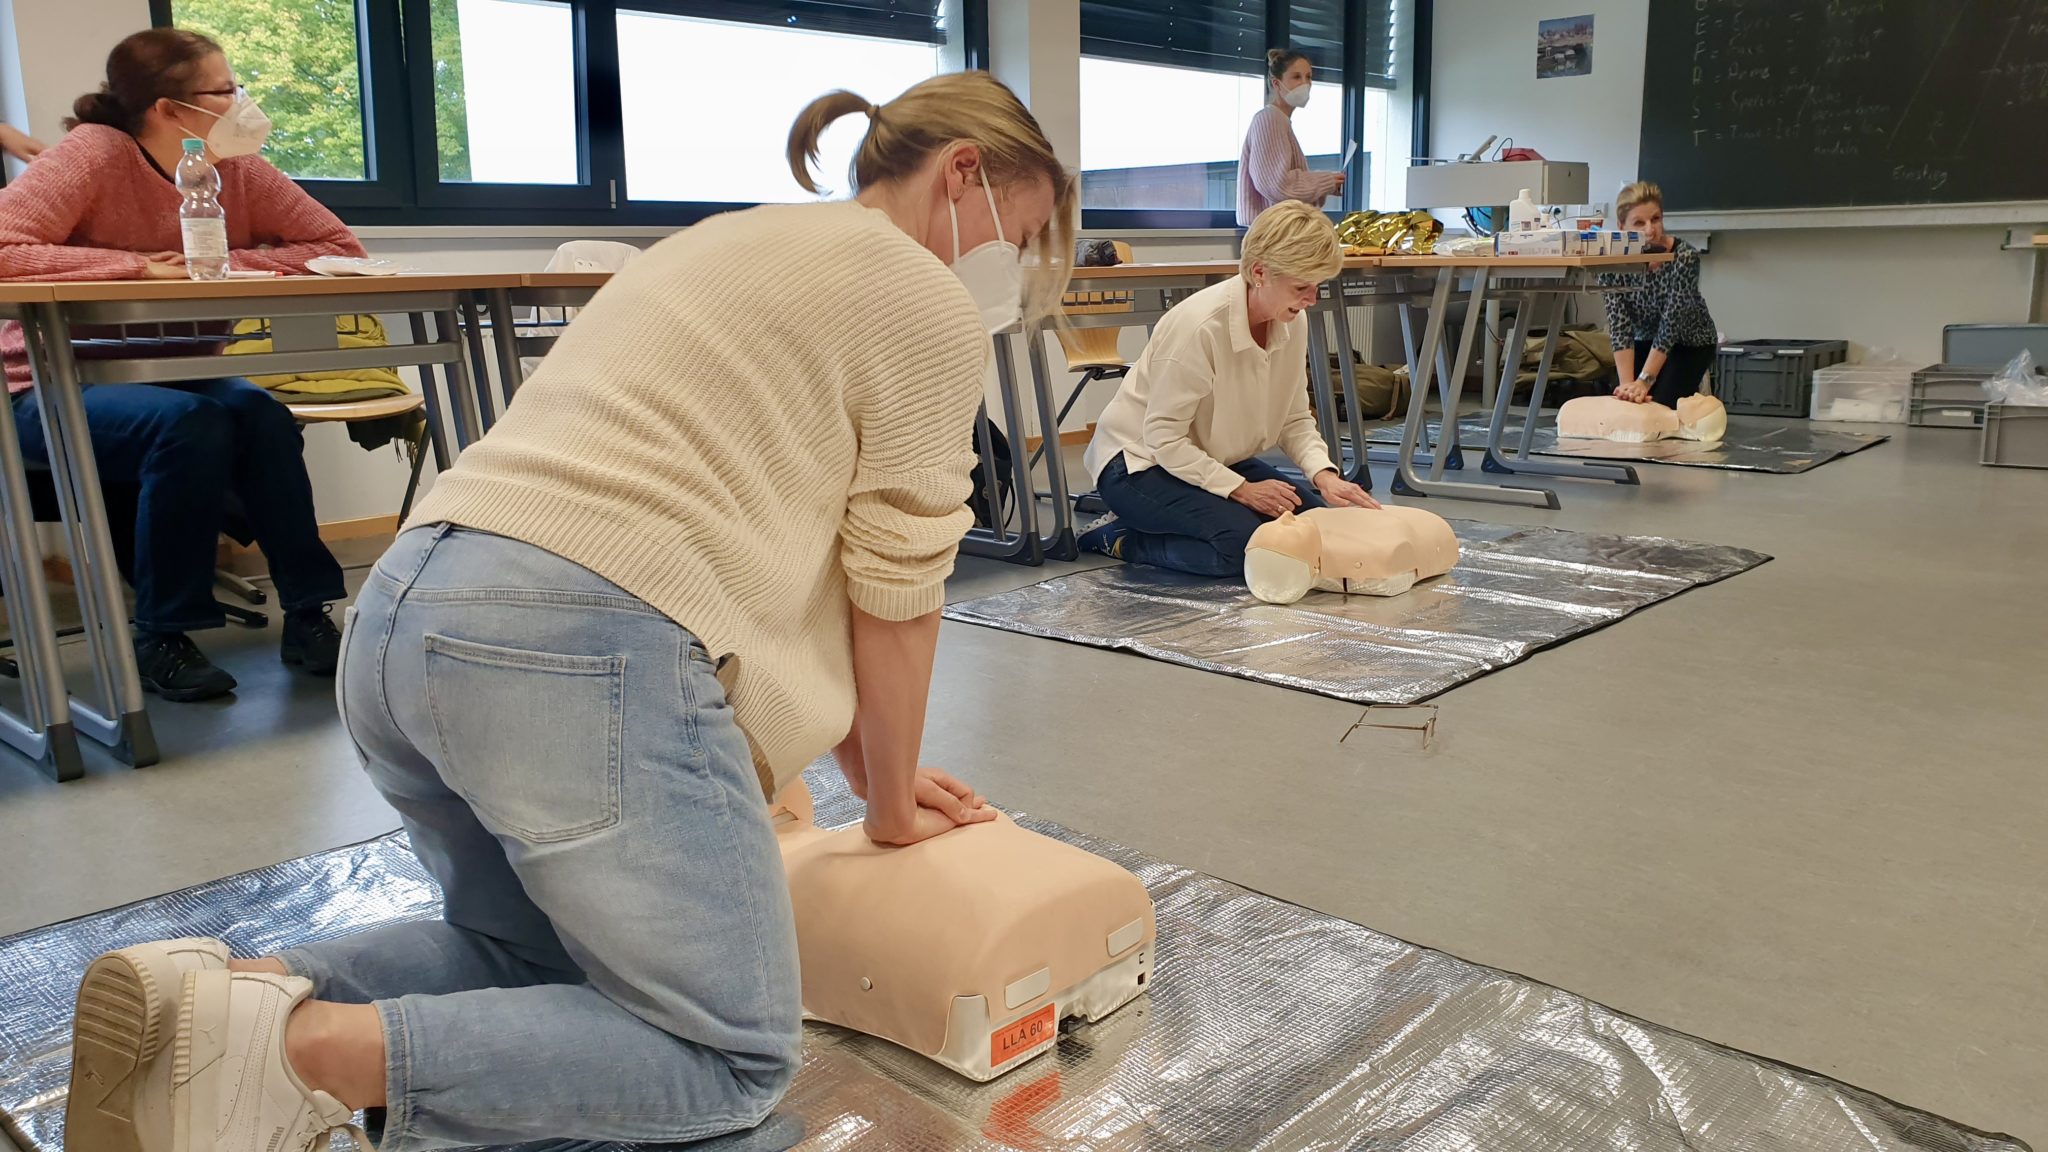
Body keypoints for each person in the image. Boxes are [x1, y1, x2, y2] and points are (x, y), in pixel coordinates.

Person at [60, 71, 1075, 1152]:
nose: (1002, 267)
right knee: (726, 1058)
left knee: (531, 961)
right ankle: (286, 1060)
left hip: (408, 610)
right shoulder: (917, 296)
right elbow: (900, 588)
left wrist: (874, 769)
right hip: (574, 641)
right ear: (963, 173)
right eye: (1014, 235)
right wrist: (884, 809)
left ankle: (223, 1000)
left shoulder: (722, 240)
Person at [0, 28, 359, 701]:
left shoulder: (237, 166)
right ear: (169, 108)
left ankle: (309, 615)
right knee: (189, 423)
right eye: (225, 91)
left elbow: (339, 245)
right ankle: (161, 635)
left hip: (178, 372)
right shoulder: (95, 153)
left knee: (260, 413)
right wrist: (128, 267)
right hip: (48, 388)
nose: (242, 103)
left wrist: (220, 266)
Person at [1077, 200, 1377, 577]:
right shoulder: (1199, 327)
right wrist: (1241, 490)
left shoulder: (1291, 320)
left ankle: (1174, 521)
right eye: (1302, 287)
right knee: (1244, 548)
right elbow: (1164, 440)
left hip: (1206, 456)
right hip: (1138, 465)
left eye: (1317, 286)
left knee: (1312, 529)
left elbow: (1294, 417)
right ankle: (1118, 536)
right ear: (1260, 272)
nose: (1312, 299)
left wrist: (1324, 475)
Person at [1601, 180, 1718, 408]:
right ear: (1622, 227)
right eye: (1639, 223)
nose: (1650, 230)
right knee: (1627, 403)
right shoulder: (1611, 264)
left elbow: (1670, 326)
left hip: (1689, 343)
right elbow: (1619, 326)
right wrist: (1628, 388)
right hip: (1643, 339)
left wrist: (1644, 382)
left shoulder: (1684, 257)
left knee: (1661, 405)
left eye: (1655, 219)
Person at [1236, 48, 1344, 227]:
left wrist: (1328, 185)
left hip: (1279, 232)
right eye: (1296, 77)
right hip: (1275, 235)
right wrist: (1325, 181)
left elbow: (1283, 188)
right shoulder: (1270, 119)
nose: (1305, 84)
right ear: (1277, 84)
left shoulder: (1280, 121)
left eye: (1308, 77)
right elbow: (1276, 184)